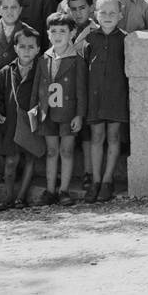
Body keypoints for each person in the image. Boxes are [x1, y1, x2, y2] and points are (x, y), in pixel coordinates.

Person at [32, 11, 87, 206]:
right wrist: (34, 110)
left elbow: (81, 91)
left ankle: (64, 190)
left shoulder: (77, 60)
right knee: (51, 151)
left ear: (72, 33)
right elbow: (37, 87)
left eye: (62, 31)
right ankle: (50, 190)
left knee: (67, 151)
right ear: (48, 34)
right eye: (53, 31)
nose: (57, 35)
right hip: (47, 113)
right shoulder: (43, 58)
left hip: (68, 113)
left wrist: (79, 115)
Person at [80, 0, 128, 203]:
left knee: (114, 136)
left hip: (116, 95)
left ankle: (108, 180)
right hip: (94, 96)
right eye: (103, 12)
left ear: (120, 15)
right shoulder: (89, 39)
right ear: (95, 15)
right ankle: (96, 180)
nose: (108, 16)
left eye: (112, 13)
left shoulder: (126, 39)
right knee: (97, 136)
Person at [0, 28, 46, 210]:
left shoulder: (42, 70)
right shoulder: (6, 72)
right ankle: (8, 197)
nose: (26, 50)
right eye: (22, 46)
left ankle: (21, 198)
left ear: (38, 49)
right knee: (10, 162)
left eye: (31, 47)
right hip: (11, 125)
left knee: (30, 159)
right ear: (15, 48)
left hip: (32, 123)